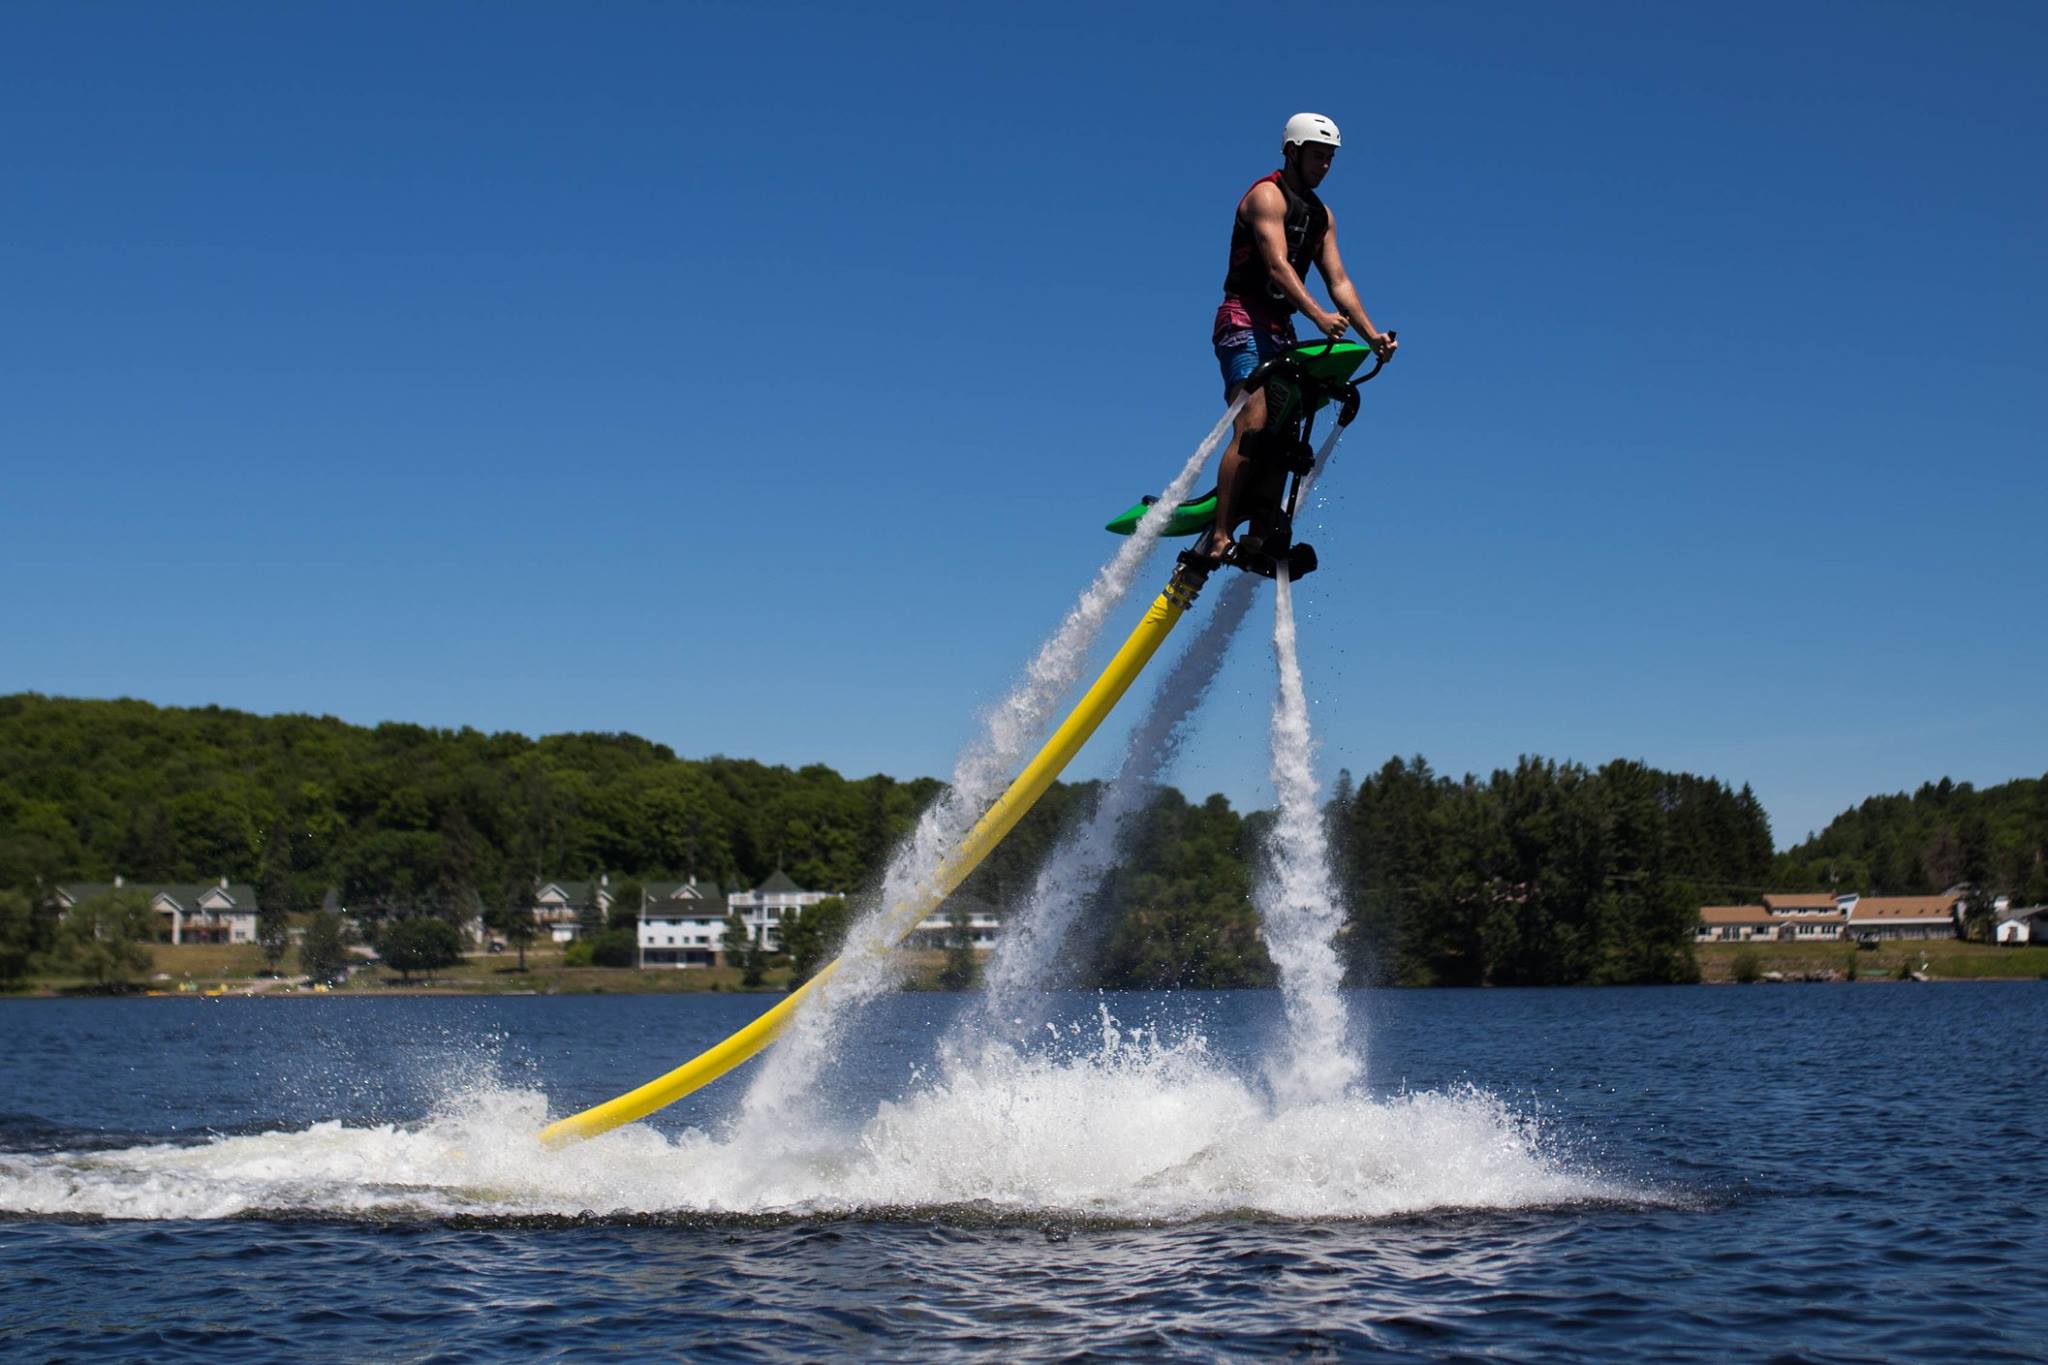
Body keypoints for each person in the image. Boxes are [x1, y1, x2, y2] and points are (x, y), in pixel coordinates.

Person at [1205, 112, 1397, 563]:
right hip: (1242, 320)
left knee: (1287, 431)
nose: (1324, 166)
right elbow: (1277, 266)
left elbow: (1340, 282)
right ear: (1292, 152)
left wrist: (1373, 337)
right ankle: (1218, 535)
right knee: (1254, 420)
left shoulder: (1322, 216)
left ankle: (1261, 535)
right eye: (1317, 156)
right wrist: (1318, 317)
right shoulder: (1265, 197)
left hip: (1281, 329)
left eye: (1330, 159)